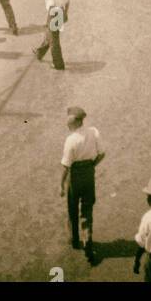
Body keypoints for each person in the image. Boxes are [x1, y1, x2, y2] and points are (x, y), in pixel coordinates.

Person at [60, 106, 105, 263]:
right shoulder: (93, 131)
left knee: (72, 207)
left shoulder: (71, 140)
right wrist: (92, 165)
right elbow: (102, 153)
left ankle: (74, 239)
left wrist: (61, 184)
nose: (67, 124)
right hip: (88, 174)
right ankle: (87, 237)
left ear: (76, 121)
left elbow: (66, 166)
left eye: (69, 121)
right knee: (87, 208)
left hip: (75, 176)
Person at [33, 0, 69, 71]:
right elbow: (67, 0)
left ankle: (58, 64)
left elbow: (52, 6)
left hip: (54, 12)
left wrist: (49, 20)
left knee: (54, 39)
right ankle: (39, 52)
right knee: (51, 34)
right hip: (62, 10)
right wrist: (65, 14)